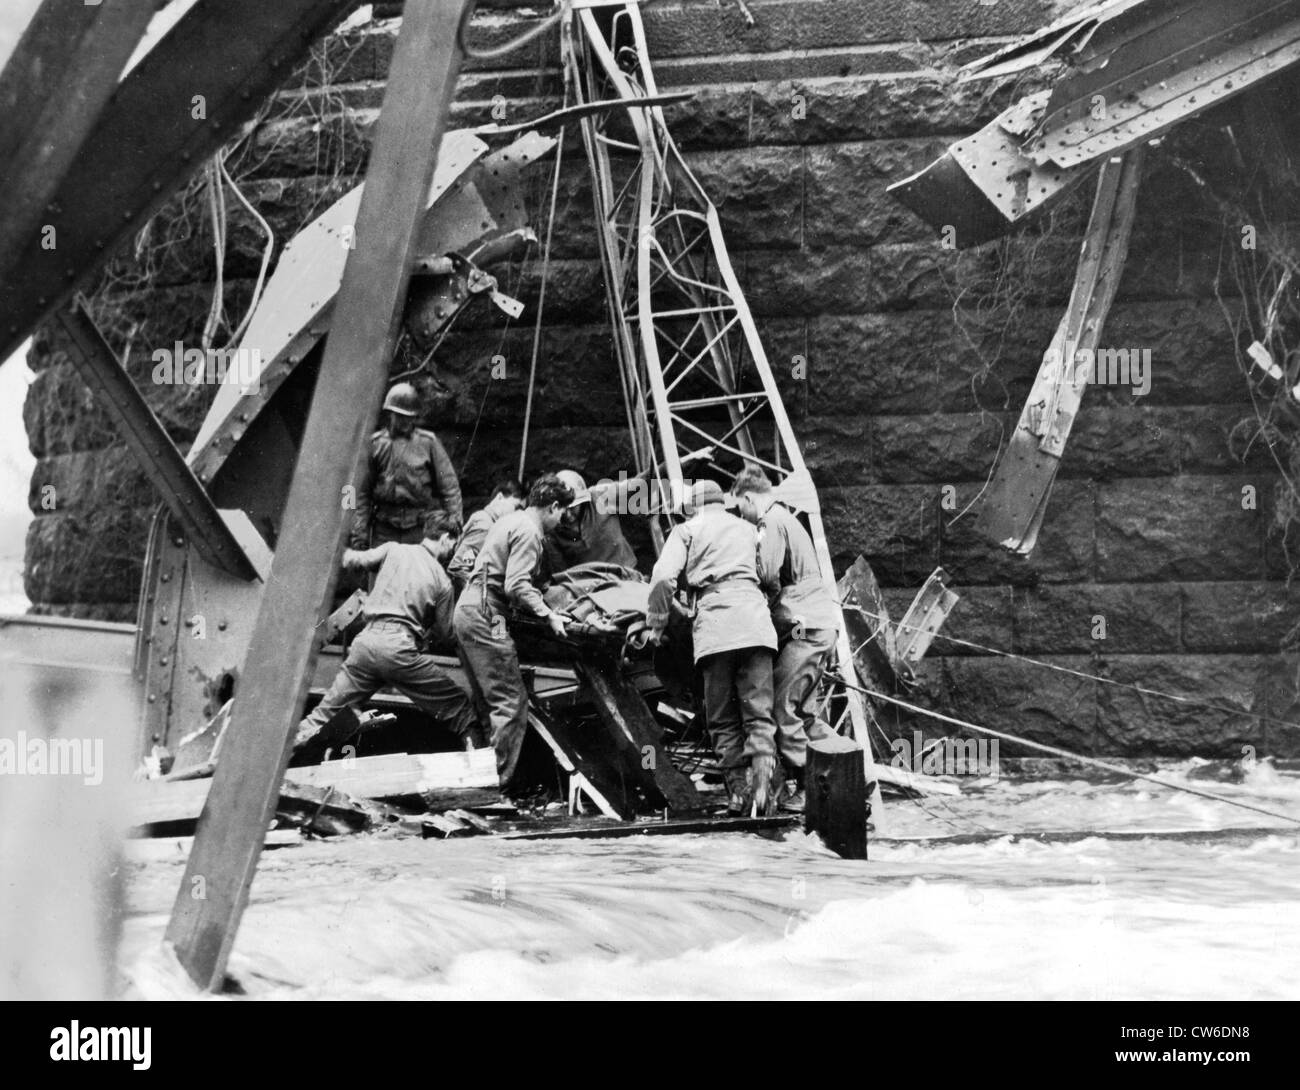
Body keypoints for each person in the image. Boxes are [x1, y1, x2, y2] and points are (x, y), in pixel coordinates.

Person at [645, 479, 780, 815]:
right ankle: (763, 787)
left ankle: (737, 795)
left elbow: (662, 577)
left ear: (694, 506)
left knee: (720, 718)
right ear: (724, 503)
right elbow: (770, 575)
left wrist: (658, 624)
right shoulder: (750, 529)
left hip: (716, 629)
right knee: (759, 713)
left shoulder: (686, 530)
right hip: (755, 623)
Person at [295, 511, 481, 752]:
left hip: (365, 645)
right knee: (461, 711)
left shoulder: (393, 549)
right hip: (399, 650)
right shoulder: (442, 581)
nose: (451, 551)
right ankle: (479, 769)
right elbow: (448, 633)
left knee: (320, 719)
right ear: (446, 537)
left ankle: (275, 760)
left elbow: (354, 560)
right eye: (453, 544)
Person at [453, 473, 574, 800]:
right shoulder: (530, 532)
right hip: (487, 614)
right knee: (510, 703)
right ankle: (496, 787)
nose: (562, 519)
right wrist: (549, 614)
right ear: (552, 507)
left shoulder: (510, 520)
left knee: (486, 705)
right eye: (563, 512)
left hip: (468, 610)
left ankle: (480, 783)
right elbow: (517, 585)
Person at [731, 466, 841, 813]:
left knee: (780, 704)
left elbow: (767, 576)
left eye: (740, 508)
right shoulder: (784, 518)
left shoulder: (771, 522)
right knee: (802, 714)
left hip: (805, 628)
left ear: (748, 498)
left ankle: (810, 786)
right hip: (816, 624)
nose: (741, 516)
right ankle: (856, 774)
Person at [547, 449, 714, 573]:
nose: (568, 515)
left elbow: (642, 481)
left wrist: (687, 461)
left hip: (625, 574)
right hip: (590, 586)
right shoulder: (552, 525)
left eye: (573, 508)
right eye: (563, 509)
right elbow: (560, 571)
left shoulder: (602, 497)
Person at [350, 382, 463, 549]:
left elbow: (449, 487)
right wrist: (359, 532)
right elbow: (361, 492)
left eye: (409, 417)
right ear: (390, 414)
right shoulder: (375, 444)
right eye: (400, 416)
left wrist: (455, 524)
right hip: (384, 529)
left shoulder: (428, 443)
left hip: (419, 529)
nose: (405, 421)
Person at [447, 478, 525, 588]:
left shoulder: (486, 520)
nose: (516, 513)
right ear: (500, 497)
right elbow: (458, 568)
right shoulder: (485, 525)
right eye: (515, 506)